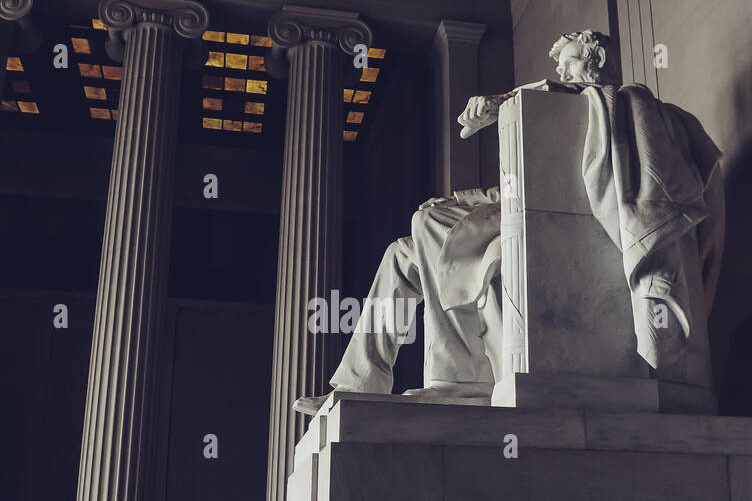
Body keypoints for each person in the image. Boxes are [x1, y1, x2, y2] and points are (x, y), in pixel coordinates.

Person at [293, 30, 724, 415]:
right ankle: (358, 384)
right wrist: (461, 200)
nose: (561, 71)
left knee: (433, 231)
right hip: (522, 211)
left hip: (558, 226)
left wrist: (505, 100)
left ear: (595, 63)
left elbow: (570, 108)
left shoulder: (619, 105)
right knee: (401, 250)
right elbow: (520, 188)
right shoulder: (575, 115)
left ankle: (458, 382)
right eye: (560, 65)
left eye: (570, 61)